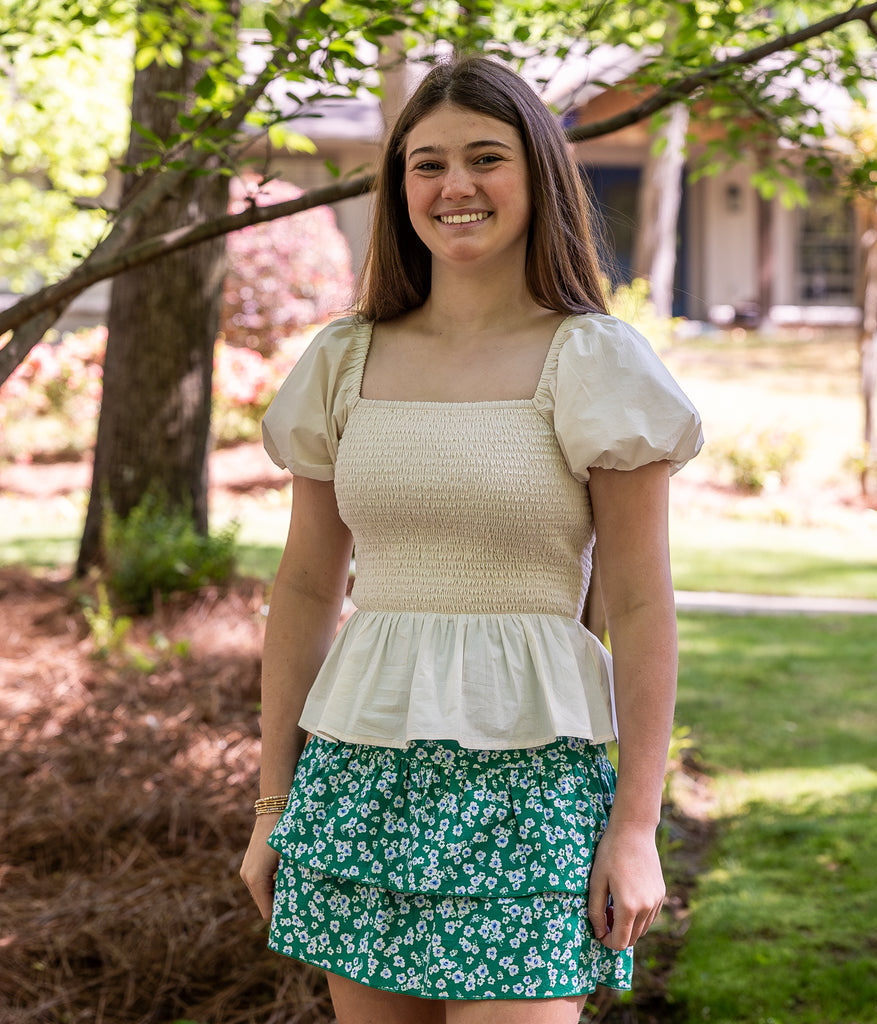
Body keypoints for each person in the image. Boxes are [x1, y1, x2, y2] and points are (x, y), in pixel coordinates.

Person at [240, 54, 703, 1024]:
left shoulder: (594, 362)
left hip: (529, 795)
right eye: (426, 163)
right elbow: (304, 589)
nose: (454, 187)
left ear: (536, 175)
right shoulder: (342, 360)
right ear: (398, 183)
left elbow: (639, 603)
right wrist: (272, 804)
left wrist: (636, 825)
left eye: (485, 158)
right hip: (361, 784)